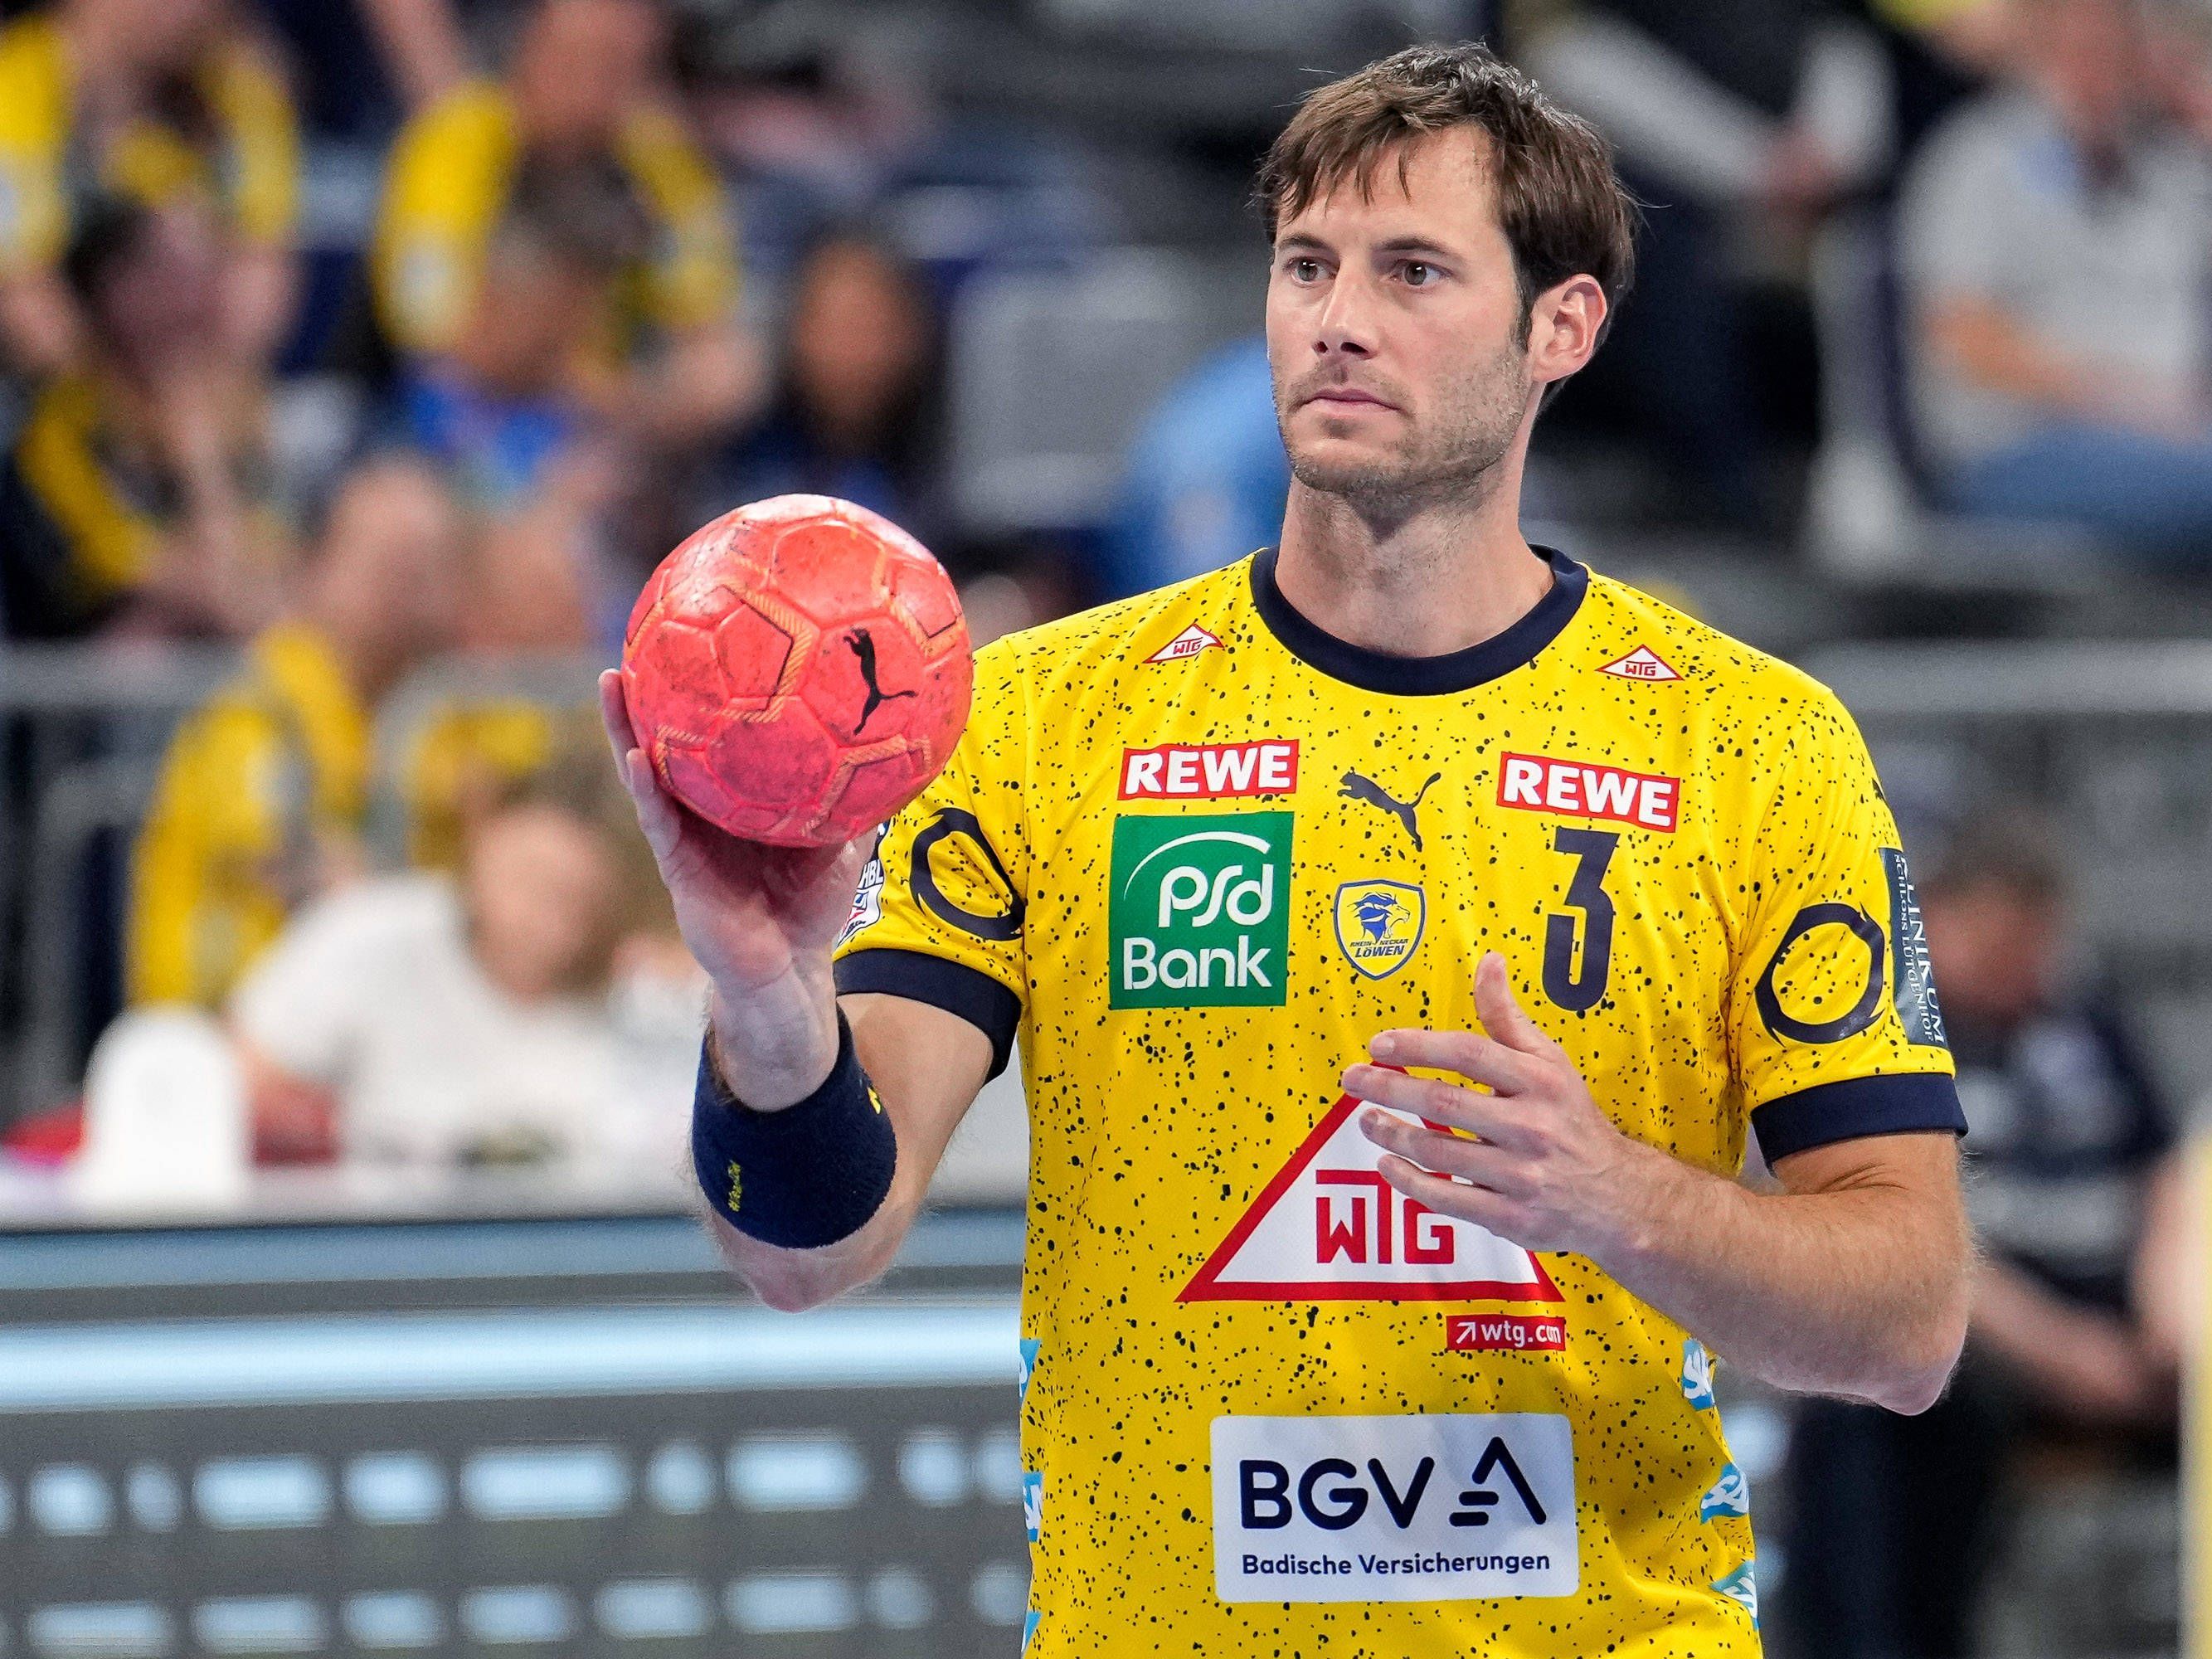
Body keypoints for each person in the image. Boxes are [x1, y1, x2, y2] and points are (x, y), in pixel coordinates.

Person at [605, 44, 1971, 1655]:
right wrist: (767, 1006)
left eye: (1412, 271)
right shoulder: (1041, 720)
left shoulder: (1750, 744)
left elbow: (1909, 1322)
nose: (1337, 318)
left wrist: (1616, 1198)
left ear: (1562, 326)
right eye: (1306, 265)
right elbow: (807, 1252)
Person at [1777, 814, 2187, 1657]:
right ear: (1938, 916)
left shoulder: (2084, 1017)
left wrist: (2166, 1317)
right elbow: (1904, 1236)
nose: (2023, 970)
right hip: (1982, 1337)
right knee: (1874, 1393)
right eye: (2002, 947)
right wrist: (2064, 1353)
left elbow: (2167, 1175)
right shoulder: (1883, 1033)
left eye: (2038, 945)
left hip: (2127, 1323)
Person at [228, 758, 688, 1171]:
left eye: (563, 898)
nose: (528, 915)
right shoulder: (369, 934)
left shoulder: (646, 995)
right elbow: (240, 1077)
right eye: (523, 877)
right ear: (481, 843)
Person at [128, 456, 464, 1009]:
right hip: (224, 1023)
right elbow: (284, 852)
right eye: (384, 563)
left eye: (425, 566)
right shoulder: (256, 707)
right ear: (315, 566)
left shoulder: (458, 710)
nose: (403, 590)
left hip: (378, 1026)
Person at [1898, 0, 2212, 562]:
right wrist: (2122, 398)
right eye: (2076, 49)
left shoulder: (2171, 173)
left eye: (2113, 50)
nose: (2096, 67)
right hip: (2021, 446)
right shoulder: (1977, 161)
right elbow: (1962, 336)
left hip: (2177, 438)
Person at [371, 0, 754, 457]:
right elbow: (424, 321)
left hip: (607, 413)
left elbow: (707, 313)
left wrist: (640, 399)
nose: (590, 88)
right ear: (527, 53)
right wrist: (551, 361)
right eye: (574, 60)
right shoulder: (458, 138)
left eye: (615, 67)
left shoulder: (660, 162)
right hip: (457, 400)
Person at [0, 195, 284, 640]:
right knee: (145, 638)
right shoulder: (61, 424)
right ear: (112, 289)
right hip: (81, 654)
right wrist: (200, 462)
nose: (197, 295)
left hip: (230, 627)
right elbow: (129, 571)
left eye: (207, 271)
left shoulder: (246, 407)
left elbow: (277, 553)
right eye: (172, 274)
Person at [0, 0, 298, 382]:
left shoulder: (240, 82)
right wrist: (124, 401)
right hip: (59, 387)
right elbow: (26, 303)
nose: (190, 10)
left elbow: (262, 282)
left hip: (193, 379)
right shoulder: (19, 81)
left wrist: (204, 390)